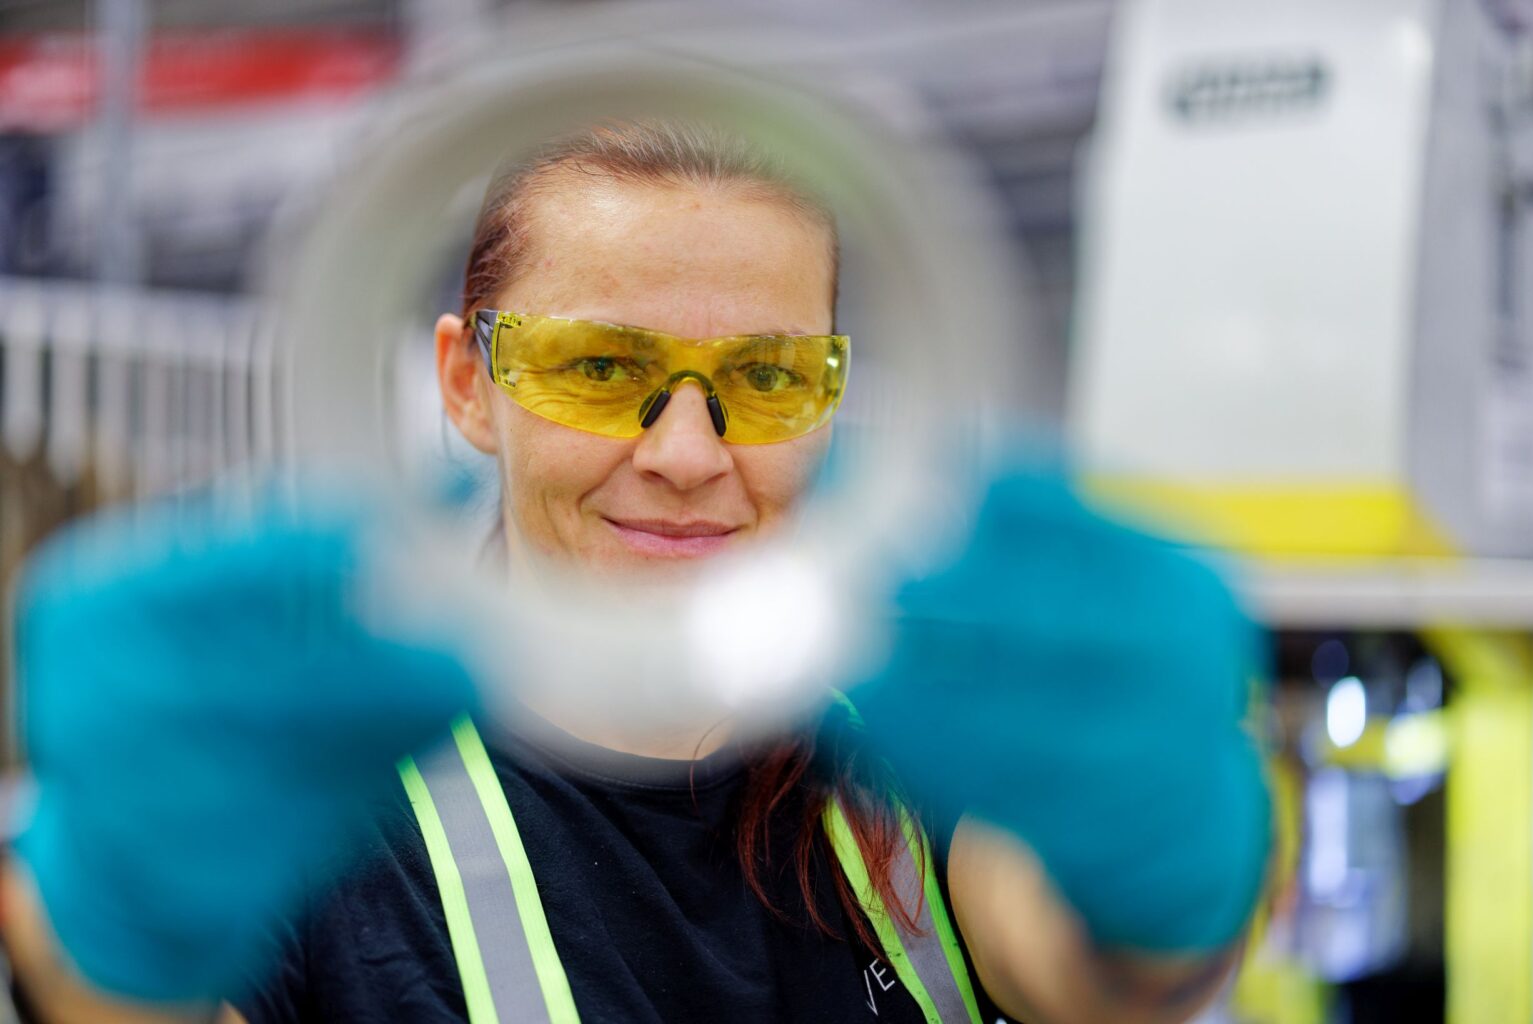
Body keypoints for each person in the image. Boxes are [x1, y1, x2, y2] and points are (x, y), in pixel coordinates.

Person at [1, 120, 1270, 1024]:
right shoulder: (312, 790)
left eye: (768, 380)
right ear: (468, 383)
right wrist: (114, 949)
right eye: (598, 368)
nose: (685, 454)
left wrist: (1180, 867)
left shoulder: (921, 725)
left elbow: (1103, 977)